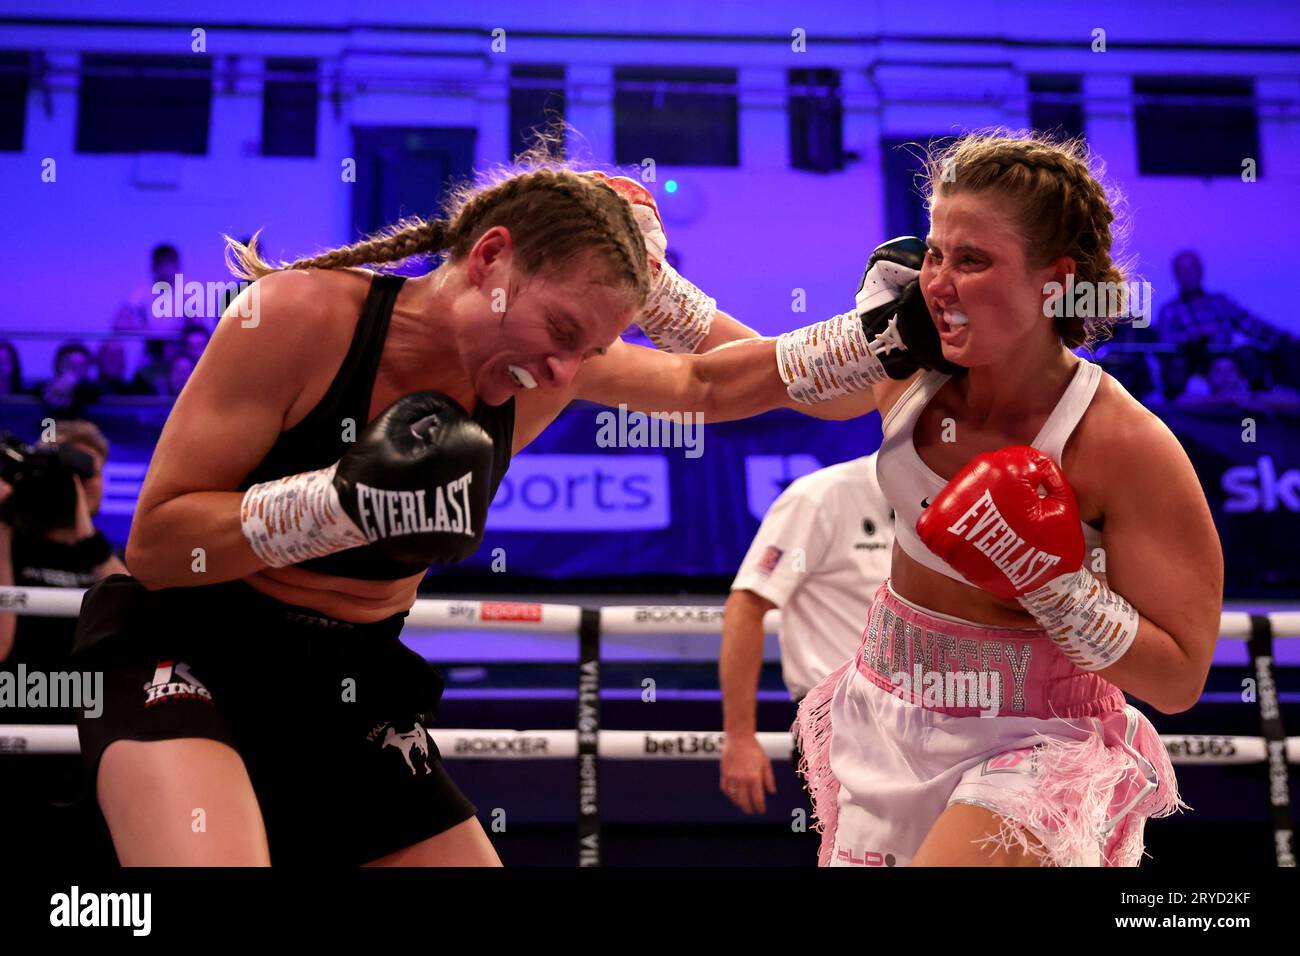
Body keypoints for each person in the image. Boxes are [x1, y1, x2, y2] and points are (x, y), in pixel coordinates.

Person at [69, 159, 859, 867]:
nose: (562, 369)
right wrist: (336, 505)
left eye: (589, 350)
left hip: (349, 683)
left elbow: (725, 383)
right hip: (184, 654)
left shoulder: (554, 367)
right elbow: (159, 547)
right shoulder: (298, 315)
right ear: (489, 258)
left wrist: (887, 336)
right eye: (560, 331)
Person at [770, 132, 1221, 867]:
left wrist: (1052, 585)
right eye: (937, 254)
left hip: (1034, 743)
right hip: (885, 714)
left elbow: (1179, 679)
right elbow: (715, 385)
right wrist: (646, 286)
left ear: (1056, 281)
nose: (938, 283)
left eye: (973, 260)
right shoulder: (903, 367)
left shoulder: (1120, 442)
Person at [720, 452, 892, 815]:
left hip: (940, 721)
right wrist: (739, 737)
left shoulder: (969, 497)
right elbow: (746, 606)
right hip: (839, 726)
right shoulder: (821, 496)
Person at [36, 343, 102, 418]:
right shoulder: (43, 389)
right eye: (70, 365)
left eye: (81, 366)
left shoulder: (97, 391)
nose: (74, 371)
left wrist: (74, 386)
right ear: (57, 365)